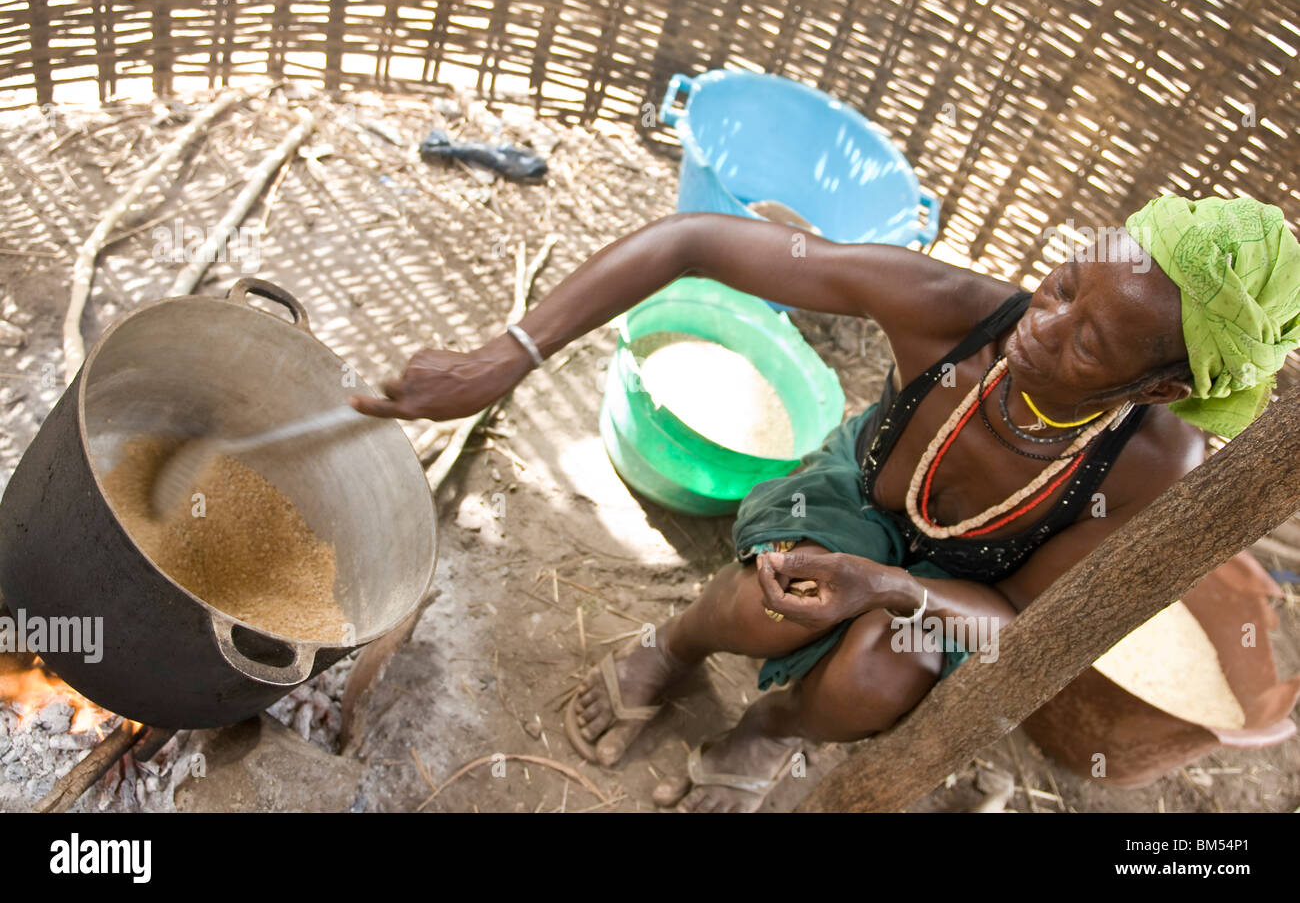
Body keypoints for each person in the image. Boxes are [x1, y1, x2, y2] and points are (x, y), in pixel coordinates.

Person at [352, 194, 1300, 812]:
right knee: (773, 598)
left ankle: (769, 730)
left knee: (879, 681)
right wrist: (507, 353)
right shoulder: (955, 310)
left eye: (1090, 344)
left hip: (952, 592)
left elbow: (1014, 621)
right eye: (1062, 284)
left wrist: (878, 585)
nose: (1041, 327)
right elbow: (695, 242)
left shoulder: (1151, 467)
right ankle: (674, 647)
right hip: (858, 496)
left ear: (1160, 390)